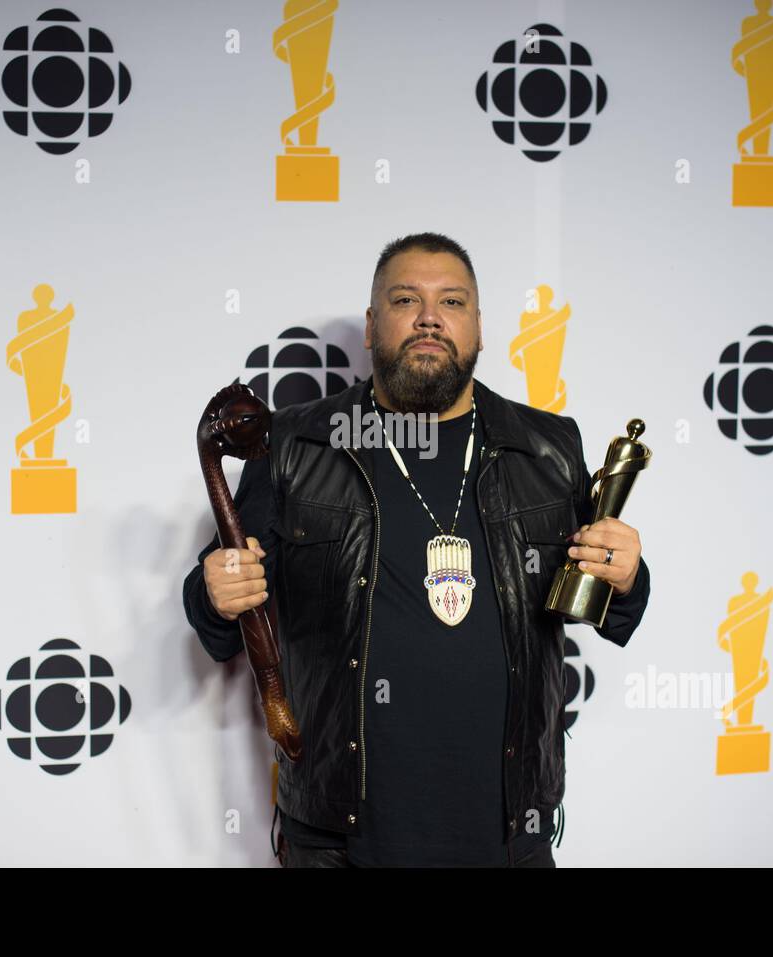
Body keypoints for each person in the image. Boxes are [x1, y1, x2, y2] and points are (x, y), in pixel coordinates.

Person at [183, 232, 651, 867]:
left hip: (510, 836)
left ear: (479, 328)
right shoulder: (297, 445)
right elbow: (217, 616)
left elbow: (600, 602)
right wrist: (214, 593)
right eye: (406, 299)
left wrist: (626, 577)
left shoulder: (547, 448)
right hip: (340, 843)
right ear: (373, 326)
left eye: (452, 301)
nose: (430, 316)